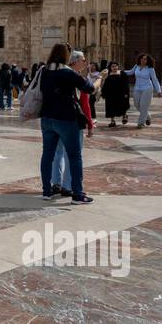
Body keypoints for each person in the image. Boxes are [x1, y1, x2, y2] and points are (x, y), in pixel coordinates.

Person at [36, 43, 95, 204]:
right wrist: (99, 80)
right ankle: (77, 194)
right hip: (66, 119)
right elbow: (90, 89)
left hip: (47, 118)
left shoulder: (44, 71)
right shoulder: (68, 73)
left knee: (48, 155)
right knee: (75, 157)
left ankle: (46, 191)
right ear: (66, 56)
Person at [126, 54, 161, 128]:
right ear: (139, 59)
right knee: (136, 104)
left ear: (147, 60)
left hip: (147, 88)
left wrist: (158, 90)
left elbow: (155, 80)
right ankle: (148, 116)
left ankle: (141, 123)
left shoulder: (150, 69)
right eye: (142, 58)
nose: (143, 60)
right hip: (137, 88)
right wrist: (119, 71)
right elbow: (130, 72)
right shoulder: (136, 66)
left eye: (145, 59)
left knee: (143, 105)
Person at [101, 62, 129, 128]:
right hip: (110, 94)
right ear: (110, 67)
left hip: (120, 93)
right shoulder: (107, 74)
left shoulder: (122, 73)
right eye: (113, 66)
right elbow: (104, 84)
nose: (114, 68)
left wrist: (126, 93)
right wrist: (104, 93)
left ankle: (124, 116)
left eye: (116, 66)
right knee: (111, 107)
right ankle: (112, 121)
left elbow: (126, 84)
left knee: (122, 105)